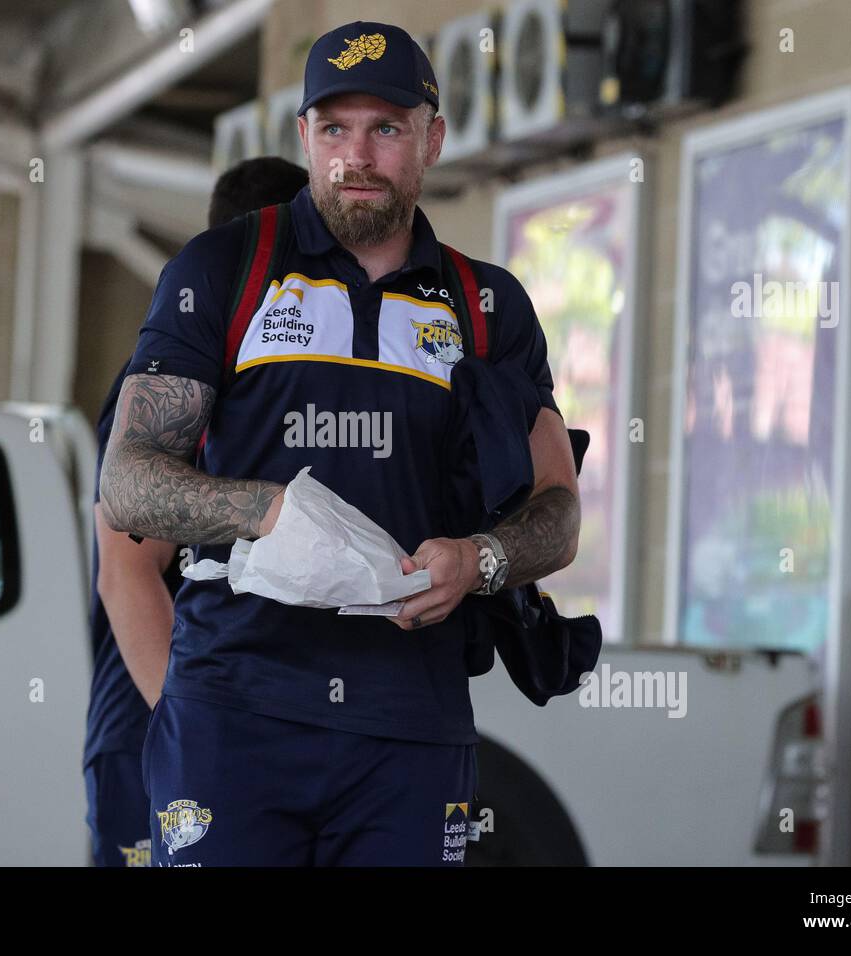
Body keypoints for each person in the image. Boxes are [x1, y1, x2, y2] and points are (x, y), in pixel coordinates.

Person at [99, 20, 581, 867]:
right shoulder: (222, 270)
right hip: (234, 715)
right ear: (304, 137)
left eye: (386, 129)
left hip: (413, 725)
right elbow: (129, 485)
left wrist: (482, 560)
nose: (356, 156)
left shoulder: (488, 305)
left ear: (432, 138)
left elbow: (559, 512)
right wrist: (265, 509)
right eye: (335, 129)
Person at [83, 157, 310, 868]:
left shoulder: (271, 367)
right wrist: (191, 731)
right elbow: (126, 574)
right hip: (158, 724)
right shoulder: (172, 376)